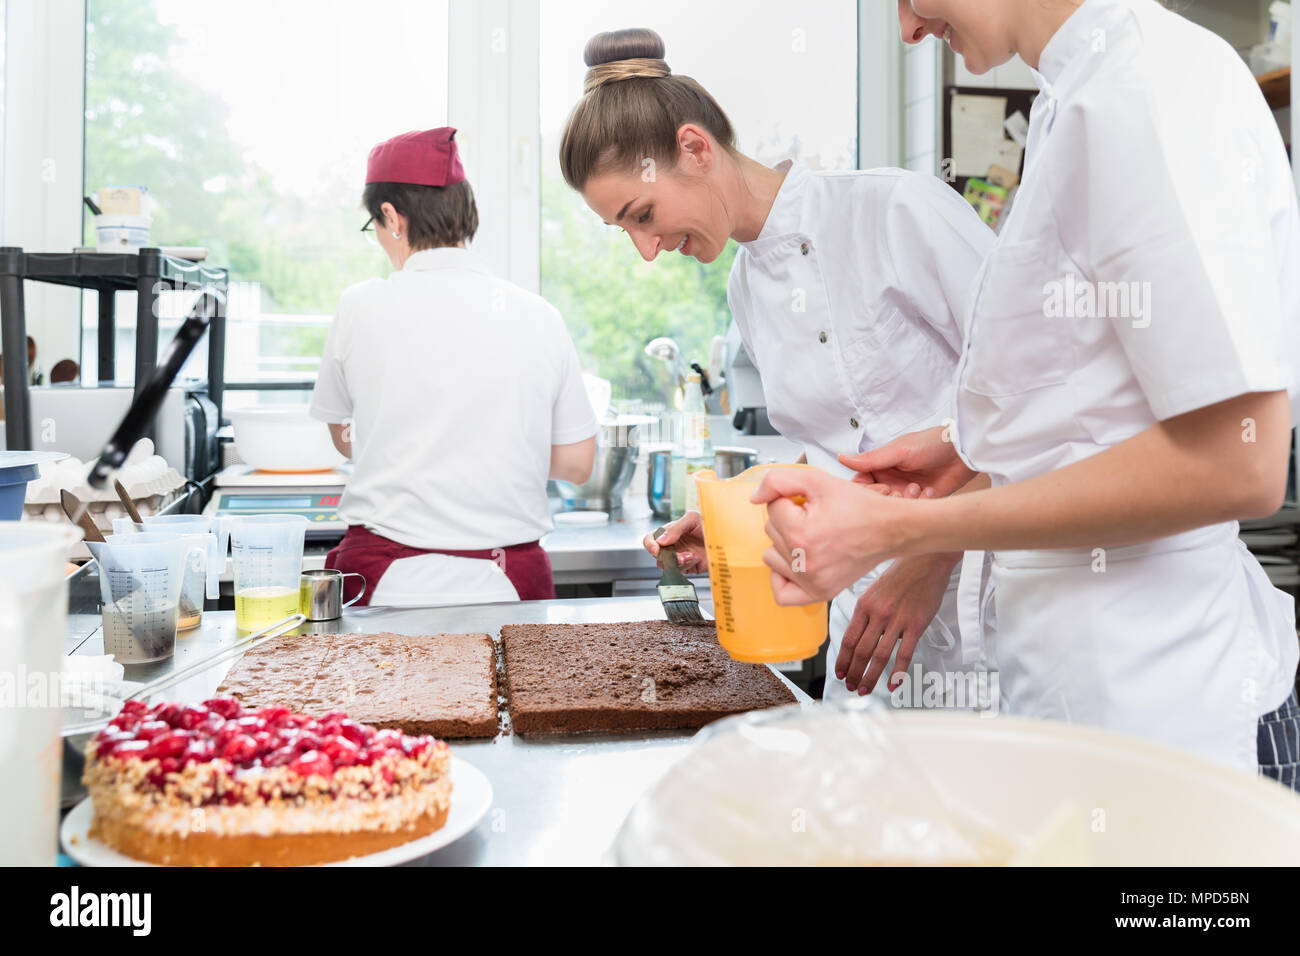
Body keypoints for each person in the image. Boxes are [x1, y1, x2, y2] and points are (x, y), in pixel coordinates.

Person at [756, 0, 1300, 787]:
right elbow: (1102, 392)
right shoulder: (1073, 99)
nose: (907, 31)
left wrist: (902, 531)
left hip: (1183, 724)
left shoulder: (1146, 88)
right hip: (1090, 723)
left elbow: (1236, 464)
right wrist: (965, 446)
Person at [559, 27, 998, 705]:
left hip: (992, 603)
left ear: (696, 148)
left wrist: (929, 554)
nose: (646, 250)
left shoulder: (895, 210)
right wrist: (744, 518)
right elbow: (834, 457)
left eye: (642, 214)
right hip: (868, 629)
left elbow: (1039, 402)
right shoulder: (745, 288)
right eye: (626, 231)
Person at [310, 127, 598, 607]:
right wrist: (491, 444)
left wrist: (424, 444)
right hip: (508, 586)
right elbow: (576, 464)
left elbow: (344, 435)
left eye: (375, 228)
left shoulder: (360, 306)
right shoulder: (538, 315)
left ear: (390, 216)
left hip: (383, 586)